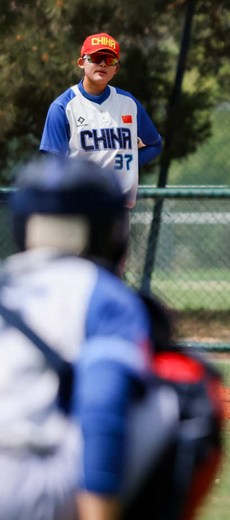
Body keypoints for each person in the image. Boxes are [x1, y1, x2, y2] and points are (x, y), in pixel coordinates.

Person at [0, 156, 173, 519]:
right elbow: (101, 403)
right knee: (181, 396)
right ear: (109, 230)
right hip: (30, 487)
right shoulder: (104, 293)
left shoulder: (6, 279)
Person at [39, 32, 163, 209]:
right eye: (96, 58)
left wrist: (125, 170)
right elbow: (53, 162)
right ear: (81, 62)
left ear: (116, 68)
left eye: (110, 60)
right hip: (79, 207)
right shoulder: (63, 106)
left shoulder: (128, 103)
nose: (103, 63)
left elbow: (154, 144)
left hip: (118, 208)